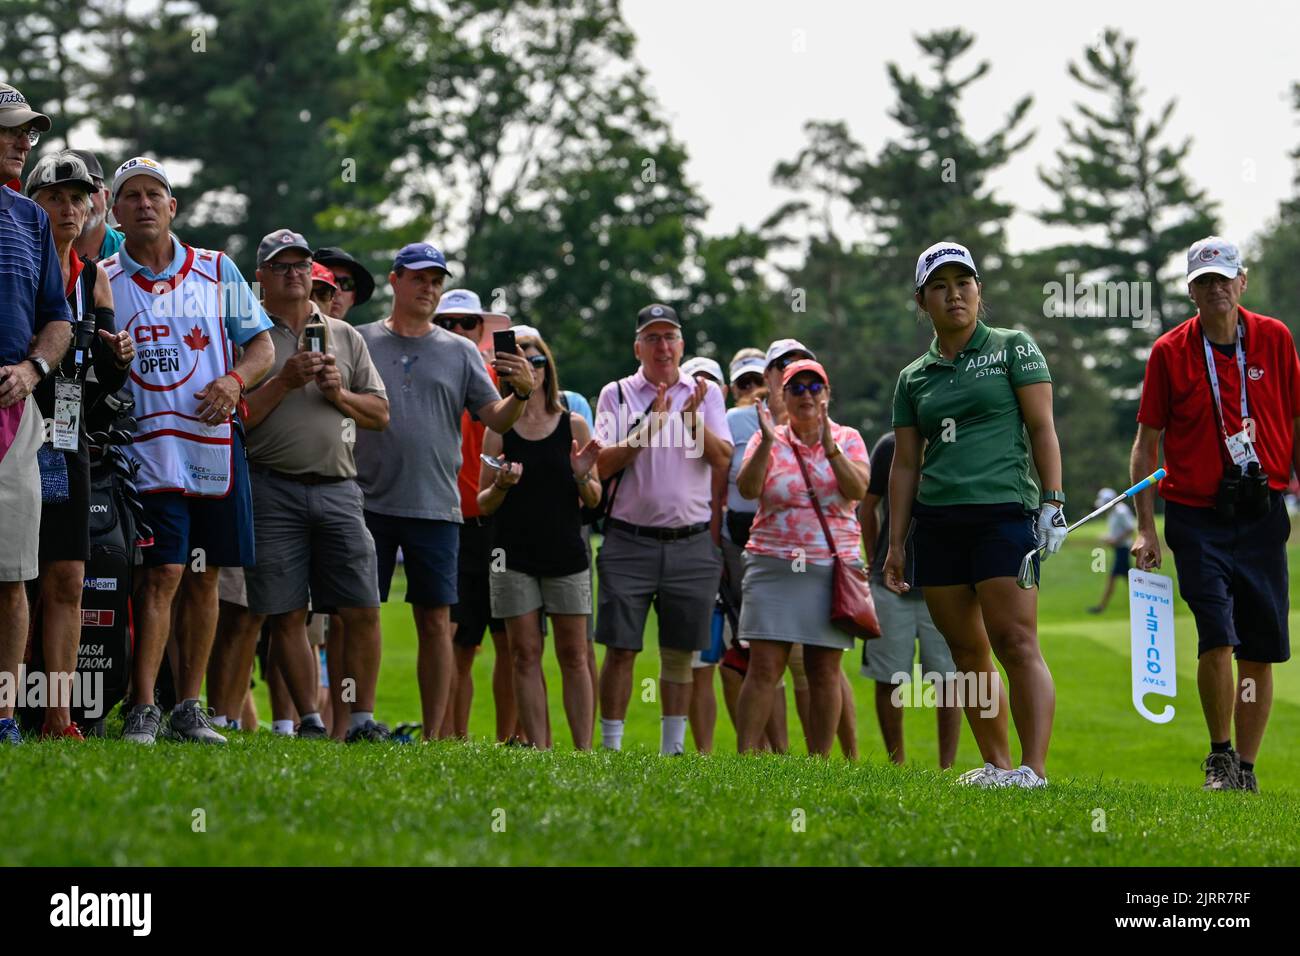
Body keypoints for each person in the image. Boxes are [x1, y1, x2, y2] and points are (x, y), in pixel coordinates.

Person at [102, 157, 275, 745]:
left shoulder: (216, 269)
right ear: (115, 211)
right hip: (145, 452)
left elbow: (261, 346)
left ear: (173, 207)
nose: (144, 204)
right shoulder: (104, 278)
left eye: (155, 194)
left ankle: (189, 709)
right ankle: (144, 706)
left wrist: (235, 382)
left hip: (213, 448)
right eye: (131, 196)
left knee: (206, 578)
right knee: (163, 573)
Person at [885, 240, 1062, 788]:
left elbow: (1042, 429)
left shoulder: (1013, 347)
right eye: (940, 286)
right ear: (923, 300)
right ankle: (996, 765)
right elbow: (906, 464)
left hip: (1002, 513)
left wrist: (1052, 502)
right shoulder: (913, 377)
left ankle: (1033, 770)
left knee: (1015, 640)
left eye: (963, 283)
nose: (954, 294)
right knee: (964, 651)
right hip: (938, 524)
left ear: (978, 291)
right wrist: (895, 543)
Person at [1131, 236, 1298, 793]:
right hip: (1196, 515)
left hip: (1261, 511)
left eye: (1224, 278)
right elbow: (1144, 446)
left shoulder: (1274, 339)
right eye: (1204, 282)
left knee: (1261, 648)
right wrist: (1144, 526)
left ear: (1242, 281)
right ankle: (1220, 757)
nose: (1216, 288)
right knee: (1217, 636)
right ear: (1191, 292)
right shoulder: (1168, 353)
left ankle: (1246, 771)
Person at [354, 244, 534, 741]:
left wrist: (519, 393)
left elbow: (494, 416)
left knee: (436, 622)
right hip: (367, 500)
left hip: (437, 503)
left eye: (436, 279)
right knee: (360, 614)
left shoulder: (459, 352)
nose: (429, 288)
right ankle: (356, 721)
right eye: (419, 278)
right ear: (395, 280)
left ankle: (434, 735)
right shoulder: (361, 339)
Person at [241, 229, 390, 740]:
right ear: (260, 277)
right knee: (286, 611)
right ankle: (308, 719)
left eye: (301, 265)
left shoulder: (345, 336)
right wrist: (283, 382)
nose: (294, 274)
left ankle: (363, 720)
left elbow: (380, 413)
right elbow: (237, 418)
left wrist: (339, 393)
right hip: (270, 486)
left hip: (339, 487)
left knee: (362, 607)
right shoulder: (247, 333)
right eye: (281, 266)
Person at [24, 152, 135, 738]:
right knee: (12, 575)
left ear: (93, 205)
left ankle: (57, 714)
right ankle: (9, 708)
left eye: (77, 198)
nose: (68, 209)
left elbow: (99, 380)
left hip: (68, 436)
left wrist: (118, 361)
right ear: (30, 203)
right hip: (14, 425)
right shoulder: (17, 263)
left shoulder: (93, 276)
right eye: (53, 198)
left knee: (67, 575)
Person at [592, 304, 732, 755]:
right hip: (628, 537)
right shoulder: (616, 394)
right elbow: (602, 463)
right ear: (638, 347)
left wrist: (690, 420)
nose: (662, 346)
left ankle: (672, 749)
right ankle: (611, 746)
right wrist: (648, 425)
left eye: (669, 337)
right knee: (620, 648)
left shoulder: (705, 394)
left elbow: (722, 458)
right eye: (652, 338)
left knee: (679, 652)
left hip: (689, 541)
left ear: (681, 345)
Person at [734, 360, 869, 756]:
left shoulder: (848, 437)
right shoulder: (768, 438)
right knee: (763, 668)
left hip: (830, 567)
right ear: (783, 397)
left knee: (824, 671)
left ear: (827, 395)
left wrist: (830, 448)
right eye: (797, 388)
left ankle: (819, 761)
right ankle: (745, 758)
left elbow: (857, 488)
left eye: (815, 388)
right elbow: (747, 489)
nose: (806, 395)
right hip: (772, 563)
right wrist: (766, 444)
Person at [477, 328, 601, 749]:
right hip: (512, 555)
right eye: (522, 363)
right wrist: (502, 487)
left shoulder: (574, 423)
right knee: (524, 654)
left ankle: (583, 751)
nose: (531, 369)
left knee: (574, 655)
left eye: (538, 361)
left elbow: (595, 498)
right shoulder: (498, 428)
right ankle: (541, 749)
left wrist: (583, 475)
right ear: (509, 374)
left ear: (549, 369)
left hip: (566, 553)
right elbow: (483, 501)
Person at [0, 85, 73, 745]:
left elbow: (57, 318)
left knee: (13, 573)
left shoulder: (28, 219)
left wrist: (31, 370)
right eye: (12, 131)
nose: (26, 143)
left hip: (14, 413)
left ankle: (0, 717)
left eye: (29, 132)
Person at [429, 288, 518, 742]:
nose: (459, 331)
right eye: (448, 324)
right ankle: (449, 737)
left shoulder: (500, 387)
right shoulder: (430, 377)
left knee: (510, 640)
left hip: (499, 523)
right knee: (455, 639)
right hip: (453, 521)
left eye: (467, 323)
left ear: (483, 330)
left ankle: (509, 740)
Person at [859, 431, 960, 768]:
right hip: (890, 583)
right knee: (890, 677)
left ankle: (947, 768)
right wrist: (876, 559)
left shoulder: (959, 441)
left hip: (945, 581)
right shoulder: (890, 445)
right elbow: (868, 506)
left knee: (949, 680)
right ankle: (896, 765)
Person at [717, 347, 787, 750]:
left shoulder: (794, 414)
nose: (753, 390)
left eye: (758, 381)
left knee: (797, 665)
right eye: (744, 384)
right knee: (747, 658)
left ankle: (807, 757)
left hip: (790, 550)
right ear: (733, 389)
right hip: (740, 546)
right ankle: (758, 754)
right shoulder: (731, 422)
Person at [67, 150, 125, 262]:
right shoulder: (40, 252)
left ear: (106, 196)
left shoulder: (132, 250)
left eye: (92, 188)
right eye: (75, 190)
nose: (85, 199)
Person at [1086, 487, 1136, 614]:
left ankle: (1101, 607)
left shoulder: (1121, 512)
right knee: (1129, 579)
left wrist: (1115, 540)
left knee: (1115, 578)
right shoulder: (1113, 513)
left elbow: (1130, 529)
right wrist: (1110, 539)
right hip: (1119, 549)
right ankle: (1102, 607)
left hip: (1123, 549)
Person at [312, 247, 375, 322]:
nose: (337, 291)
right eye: (328, 280)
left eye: (347, 283)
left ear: (353, 297)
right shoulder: (295, 333)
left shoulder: (357, 334)